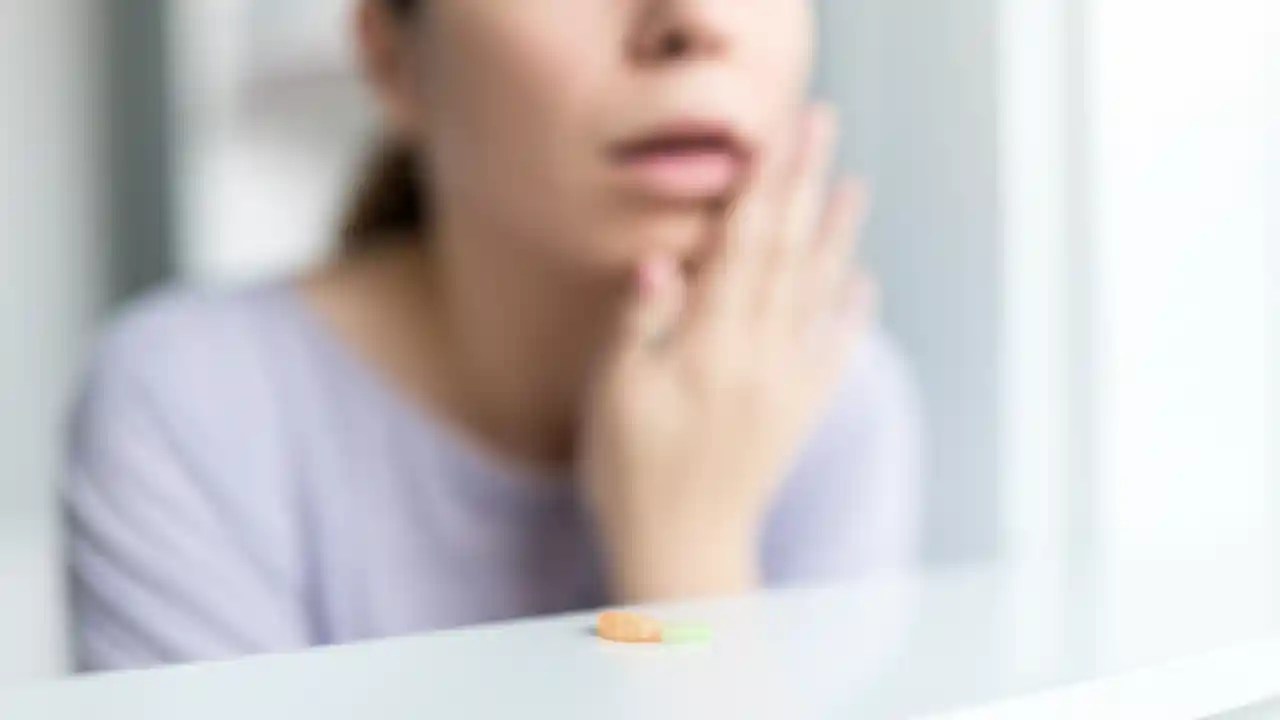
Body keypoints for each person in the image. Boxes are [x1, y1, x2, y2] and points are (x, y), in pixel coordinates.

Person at [64, 0, 921, 673]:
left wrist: (688, 555)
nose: (696, 18)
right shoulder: (194, 408)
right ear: (393, 60)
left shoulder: (837, 404)